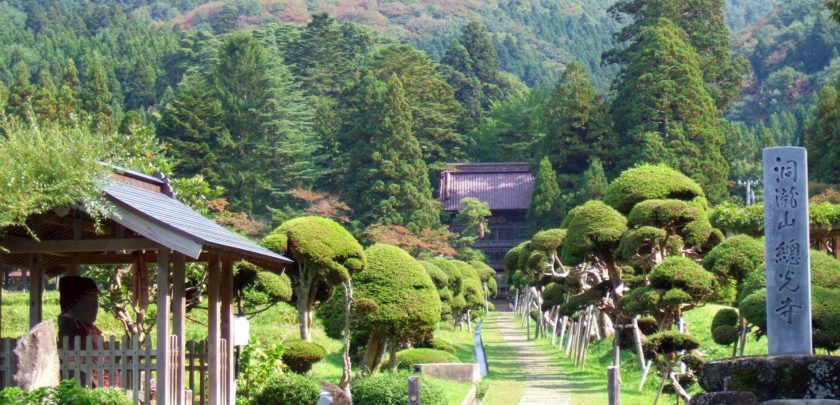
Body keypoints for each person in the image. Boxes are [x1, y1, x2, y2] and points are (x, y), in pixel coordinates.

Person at [57, 276, 116, 387]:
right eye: (89, 298)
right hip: (86, 383)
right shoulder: (73, 326)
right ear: (74, 302)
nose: (95, 305)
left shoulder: (85, 326)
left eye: (96, 299)